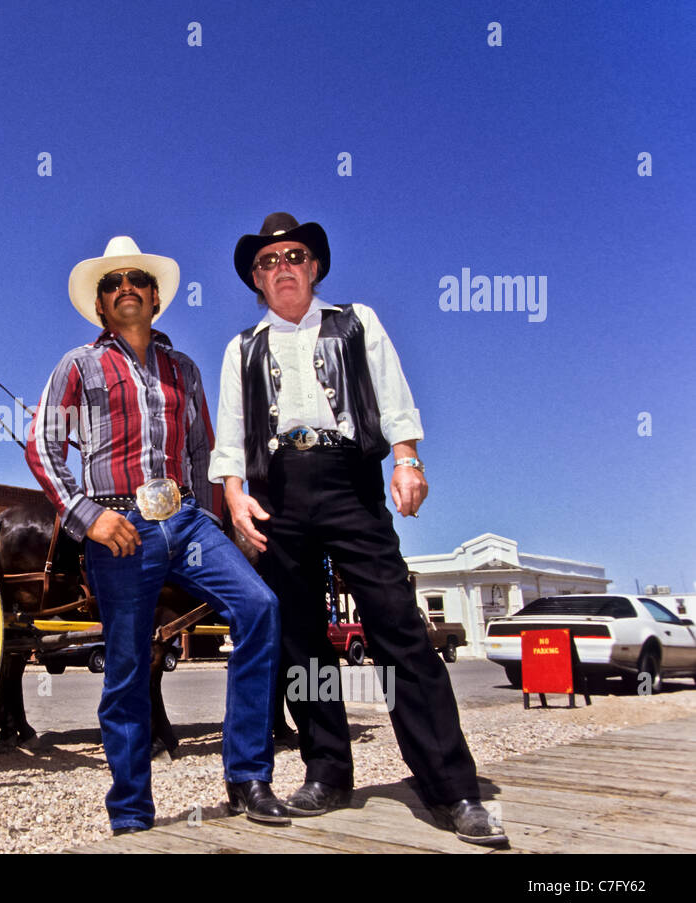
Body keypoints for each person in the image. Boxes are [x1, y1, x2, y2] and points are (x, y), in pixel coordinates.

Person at [209, 212, 507, 846]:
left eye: (292, 256)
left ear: (313, 266)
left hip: (349, 482)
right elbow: (231, 433)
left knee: (398, 627)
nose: (281, 267)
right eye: (268, 262)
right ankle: (327, 771)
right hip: (278, 491)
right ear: (257, 281)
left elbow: (395, 397)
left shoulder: (358, 321)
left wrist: (407, 459)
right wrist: (235, 499)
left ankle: (451, 788)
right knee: (300, 638)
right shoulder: (243, 347)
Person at [25, 236, 288, 834]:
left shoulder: (185, 371)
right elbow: (43, 445)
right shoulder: (79, 366)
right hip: (120, 527)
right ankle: (131, 812)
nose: (126, 289)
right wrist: (88, 516)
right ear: (100, 305)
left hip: (188, 519)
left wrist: (214, 519)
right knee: (126, 665)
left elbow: (202, 451)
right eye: (113, 283)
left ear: (155, 297)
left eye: (136, 280)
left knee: (259, 606)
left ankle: (248, 776)